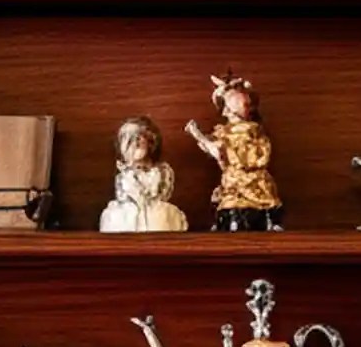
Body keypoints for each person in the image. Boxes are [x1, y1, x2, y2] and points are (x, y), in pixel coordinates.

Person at [185, 74, 283, 231]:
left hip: (255, 180)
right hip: (233, 184)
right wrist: (201, 137)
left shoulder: (254, 132)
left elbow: (257, 155)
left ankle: (270, 220)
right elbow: (215, 150)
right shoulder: (223, 133)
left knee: (265, 200)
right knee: (232, 211)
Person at [99, 117, 188, 233]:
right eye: (129, 140)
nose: (135, 142)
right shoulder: (114, 213)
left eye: (139, 137)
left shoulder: (159, 175)